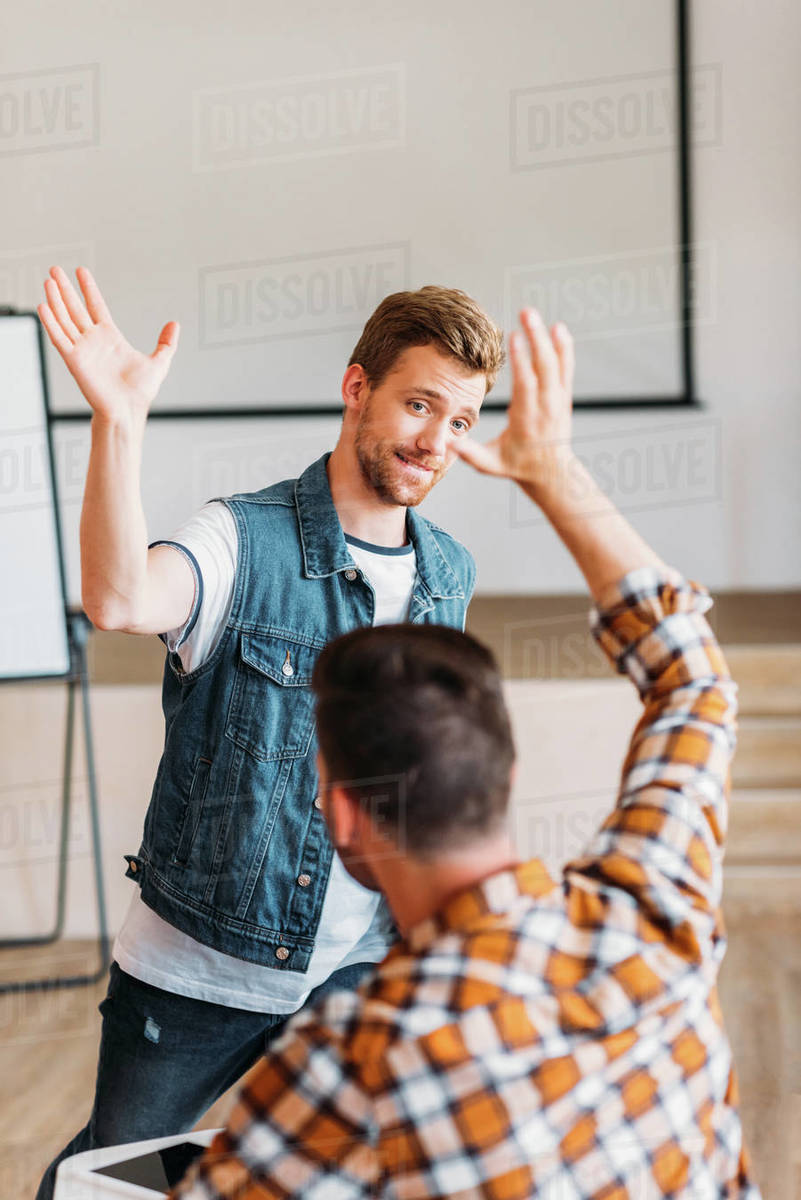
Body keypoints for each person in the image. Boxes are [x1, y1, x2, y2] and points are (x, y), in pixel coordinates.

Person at [168, 311, 761, 1198]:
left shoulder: (354, 1063)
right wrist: (556, 478)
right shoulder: (653, 906)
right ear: (503, 775)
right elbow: (695, 684)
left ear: (340, 816)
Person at [35, 269, 505, 1200]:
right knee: (114, 1181)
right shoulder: (238, 540)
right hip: (196, 969)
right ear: (356, 387)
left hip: (359, 965)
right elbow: (120, 597)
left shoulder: (448, 571)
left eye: (457, 422)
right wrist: (118, 421)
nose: (434, 442)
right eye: (419, 405)